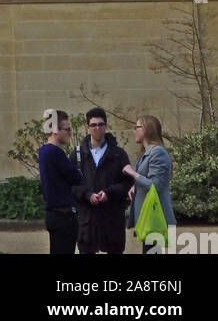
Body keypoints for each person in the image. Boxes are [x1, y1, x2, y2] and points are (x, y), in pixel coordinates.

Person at [72, 107, 131, 254]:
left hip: (112, 220)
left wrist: (109, 193)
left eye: (100, 124)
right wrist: (87, 195)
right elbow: (71, 185)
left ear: (106, 125)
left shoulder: (118, 154)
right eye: (93, 125)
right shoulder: (78, 154)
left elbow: (127, 184)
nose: (97, 128)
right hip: (87, 221)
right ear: (87, 127)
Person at [124, 114, 176, 253]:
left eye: (137, 127)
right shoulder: (146, 153)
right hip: (149, 219)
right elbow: (149, 178)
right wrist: (135, 186)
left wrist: (132, 173)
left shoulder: (157, 152)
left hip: (156, 218)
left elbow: (156, 185)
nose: (134, 130)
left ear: (148, 129)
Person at [38, 110, 82, 254]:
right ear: (55, 130)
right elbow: (76, 177)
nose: (70, 133)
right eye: (67, 129)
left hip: (55, 214)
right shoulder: (55, 152)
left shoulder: (44, 151)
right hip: (63, 215)